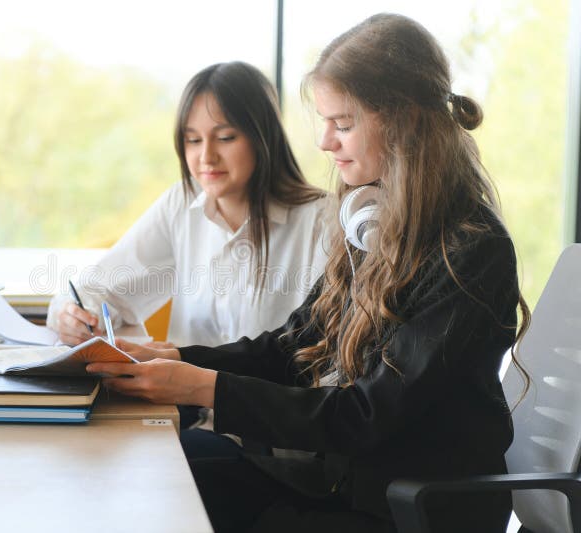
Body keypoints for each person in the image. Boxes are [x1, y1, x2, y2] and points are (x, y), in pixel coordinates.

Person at [86, 13, 531, 533]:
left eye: (342, 124)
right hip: (350, 486)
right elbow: (293, 346)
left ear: (404, 122)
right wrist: (175, 359)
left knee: (187, 489)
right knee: (182, 458)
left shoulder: (470, 250)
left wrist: (204, 387)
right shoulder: (375, 225)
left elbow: (364, 417)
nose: (325, 141)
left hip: (407, 511)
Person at [47, 61, 329, 349]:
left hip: (270, 395)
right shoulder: (182, 205)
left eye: (225, 138)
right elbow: (100, 290)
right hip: (180, 393)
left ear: (263, 137)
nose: (206, 156)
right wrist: (70, 315)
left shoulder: (321, 221)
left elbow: (325, 355)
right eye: (193, 140)